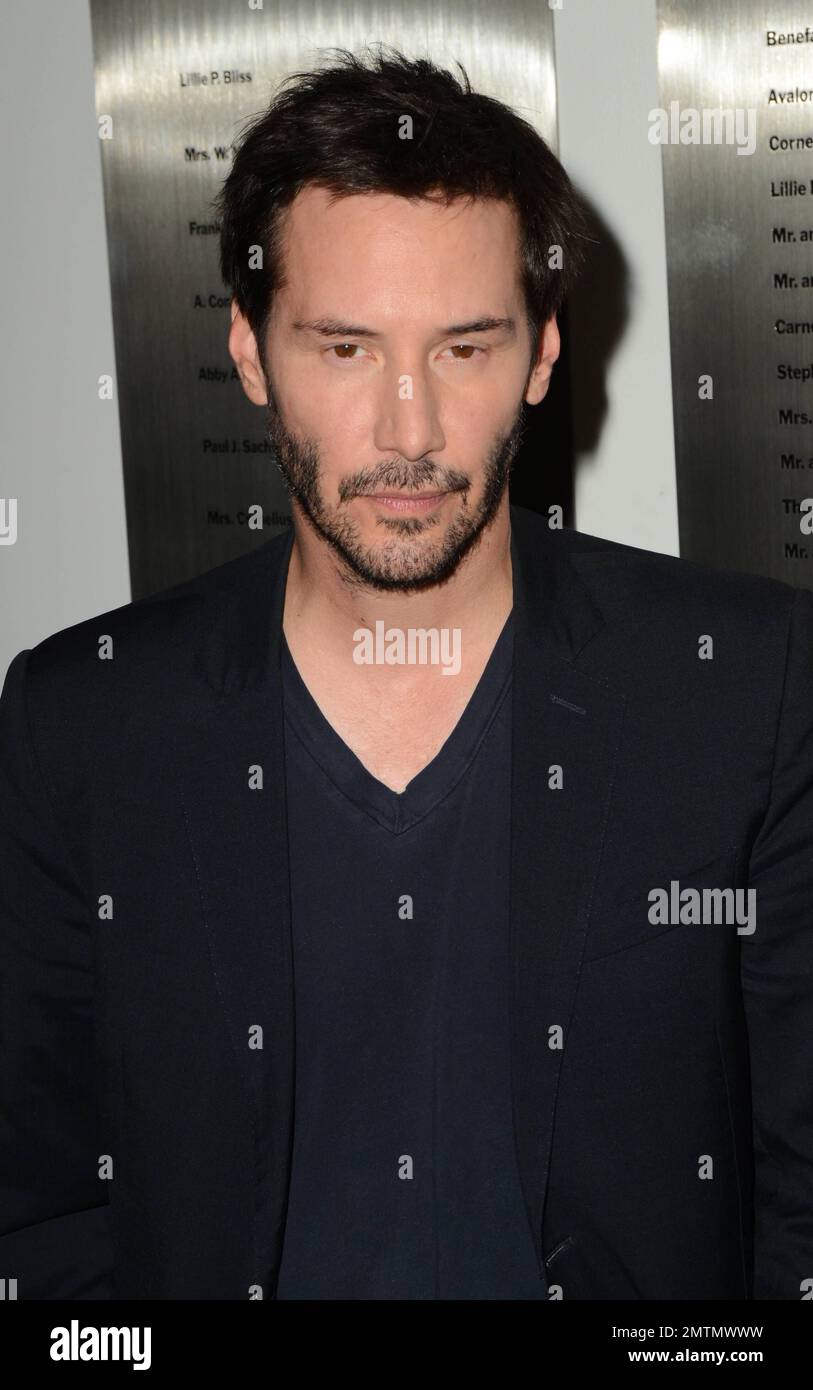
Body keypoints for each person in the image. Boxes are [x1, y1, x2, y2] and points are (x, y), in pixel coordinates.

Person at [1, 45, 811, 1301]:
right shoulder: (82, 723)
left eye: (465, 347)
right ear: (253, 353)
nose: (408, 429)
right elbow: (42, 1217)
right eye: (343, 349)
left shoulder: (745, 687)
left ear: (543, 356)